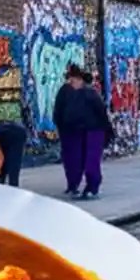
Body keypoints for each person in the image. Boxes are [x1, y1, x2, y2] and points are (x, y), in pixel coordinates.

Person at [56, 66, 112, 198]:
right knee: (73, 160)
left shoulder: (90, 94)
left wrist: (106, 129)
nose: (71, 82)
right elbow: (59, 111)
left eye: (73, 80)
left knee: (90, 160)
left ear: (80, 80)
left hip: (92, 130)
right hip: (74, 131)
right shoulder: (66, 92)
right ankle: (74, 185)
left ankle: (91, 187)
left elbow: (101, 112)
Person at [0, 115, 28, 187]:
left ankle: (1, 181)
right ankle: (12, 185)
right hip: (16, 127)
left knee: (5, 156)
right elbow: (26, 113)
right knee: (14, 162)